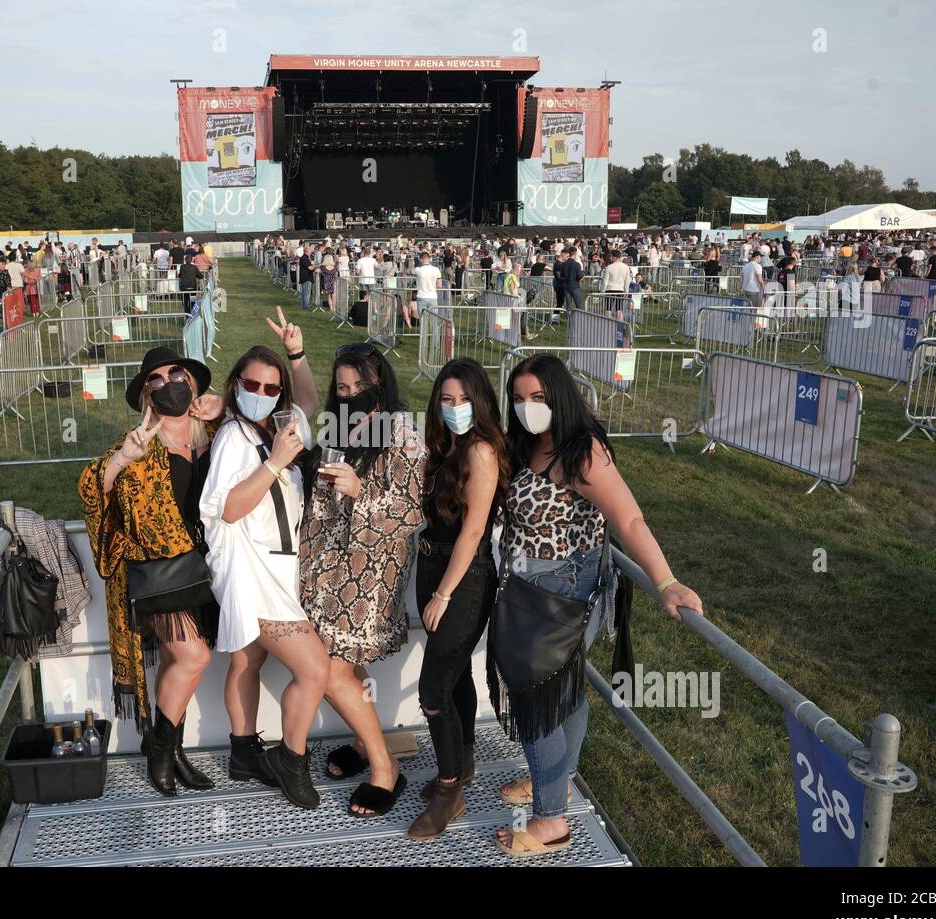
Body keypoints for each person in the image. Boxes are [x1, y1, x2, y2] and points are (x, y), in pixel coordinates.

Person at [492, 355, 702, 857]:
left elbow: (629, 521)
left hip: (564, 596)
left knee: (538, 697)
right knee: (564, 693)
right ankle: (558, 785)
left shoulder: (582, 452)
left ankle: (549, 823)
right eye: (518, 399)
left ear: (559, 398)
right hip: (528, 591)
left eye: (538, 399)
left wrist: (666, 581)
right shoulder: (529, 445)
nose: (527, 409)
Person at [79, 347, 224, 795]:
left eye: (175, 373)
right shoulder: (142, 441)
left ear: (193, 382)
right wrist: (122, 459)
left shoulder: (216, 436)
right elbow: (90, 490)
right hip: (159, 573)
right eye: (156, 380)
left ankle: (172, 749)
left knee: (183, 658)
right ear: (146, 394)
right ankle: (161, 750)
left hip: (206, 569)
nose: (168, 383)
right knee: (193, 656)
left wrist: (226, 409)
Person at [200, 312, 329, 809]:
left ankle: (242, 751)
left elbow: (310, 403)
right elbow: (227, 508)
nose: (260, 391)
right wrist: (275, 463)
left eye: (271, 387)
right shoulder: (235, 436)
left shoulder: (278, 424)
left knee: (248, 658)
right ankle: (289, 760)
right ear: (236, 385)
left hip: (278, 567)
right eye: (251, 383)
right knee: (314, 669)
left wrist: (296, 354)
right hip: (253, 573)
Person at [299, 344, 423, 815]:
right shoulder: (339, 427)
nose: (351, 394)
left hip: (371, 574)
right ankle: (361, 737)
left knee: (331, 671)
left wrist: (361, 490)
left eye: (361, 387)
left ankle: (385, 770)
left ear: (381, 385)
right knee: (342, 666)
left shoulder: (405, 435)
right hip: (328, 568)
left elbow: (411, 512)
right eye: (344, 387)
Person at [409, 358, 507, 839]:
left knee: (432, 692)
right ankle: (463, 762)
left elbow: (472, 532)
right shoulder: (445, 445)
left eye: (464, 400)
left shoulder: (482, 452)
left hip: (462, 581)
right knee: (455, 675)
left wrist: (444, 594)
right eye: (446, 400)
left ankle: (450, 792)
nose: (455, 408)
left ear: (481, 401)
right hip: (433, 567)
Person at [411, 250, 442, 326]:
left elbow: (410, 271)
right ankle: (435, 337)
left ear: (421, 259)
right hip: (433, 297)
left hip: (422, 297)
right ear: (429, 259)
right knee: (434, 322)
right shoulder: (436, 269)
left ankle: (423, 337)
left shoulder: (418, 270)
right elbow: (439, 285)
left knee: (423, 322)